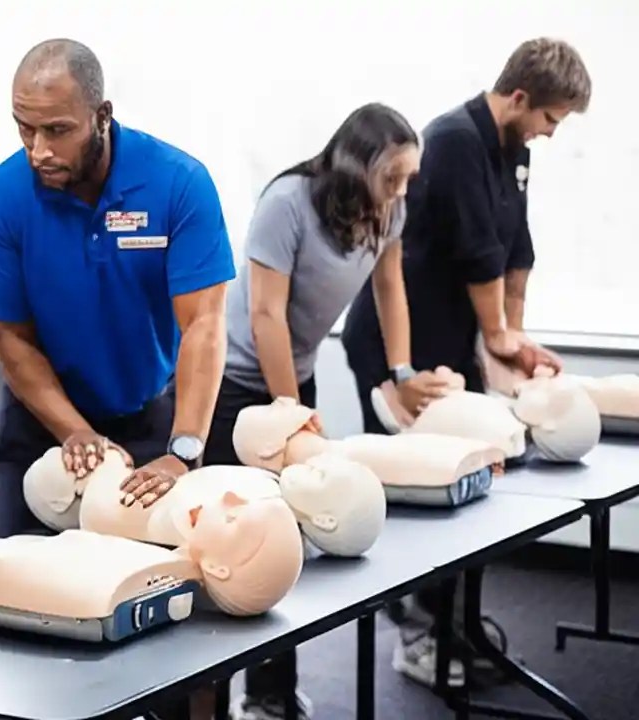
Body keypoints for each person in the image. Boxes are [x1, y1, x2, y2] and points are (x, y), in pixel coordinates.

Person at [340, 38, 592, 688]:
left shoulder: (514, 152)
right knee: (433, 503)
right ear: (518, 97)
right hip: (401, 348)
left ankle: (457, 626)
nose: (549, 133)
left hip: (452, 342)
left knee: (481, 489)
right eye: (549, 119)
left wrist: (514, 336)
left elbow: (516, 249)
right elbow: (479, 253)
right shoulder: (452, 140)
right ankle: (416, 637)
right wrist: (500, 339)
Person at [202, 103, 438, 720]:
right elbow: (265, 314)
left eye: (409, 178)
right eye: (393, 176)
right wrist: (289, 410)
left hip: (292, 382)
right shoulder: (287, 202)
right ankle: (203, 703)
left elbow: (391, 288)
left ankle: (269, 697)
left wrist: (404, 372)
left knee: (286, 545)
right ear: (357, 165)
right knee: (236, 537)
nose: (402, 189)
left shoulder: (389, 208)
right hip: (231, 389)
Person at [0, 38, 236, 540]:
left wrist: (184, 449)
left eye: (58, 130)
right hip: (41, 422)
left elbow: (203, 323)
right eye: (25, 129)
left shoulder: (178, 184)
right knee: (24, 587)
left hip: (150, 415)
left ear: (102, 115)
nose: (38, 151)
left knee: (152, 583)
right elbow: (11, 336)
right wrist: (74, 431)